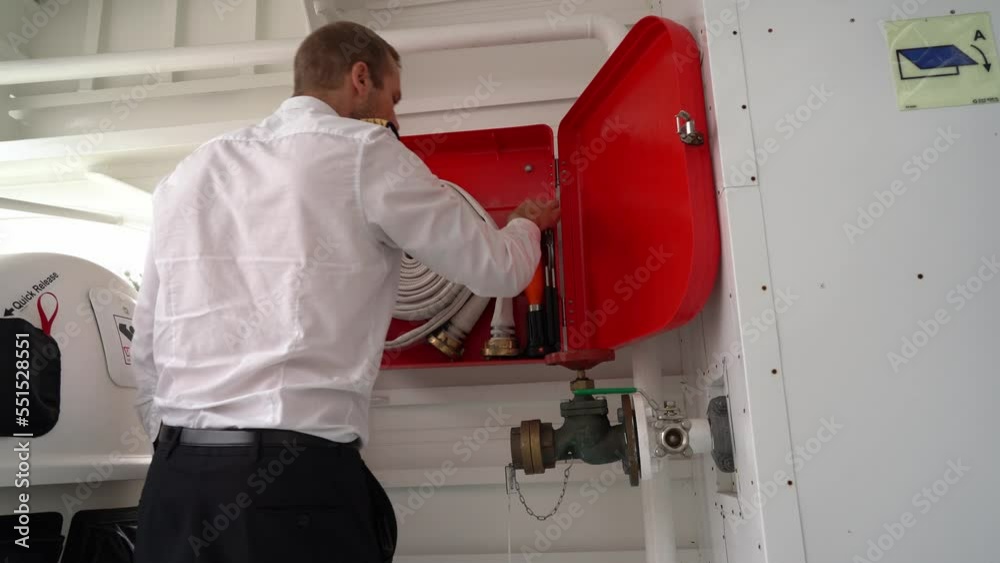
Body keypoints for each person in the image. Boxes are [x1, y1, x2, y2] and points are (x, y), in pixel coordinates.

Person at [130, 20, 560, 563]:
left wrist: (180, 449)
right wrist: (525, 226)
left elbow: (145, 343)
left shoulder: (190, 172)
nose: (396, 117)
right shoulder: (364, 152)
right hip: (285, 486)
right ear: (361, 78)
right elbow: (496, 270)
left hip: (173, 487)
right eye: (393, 96)